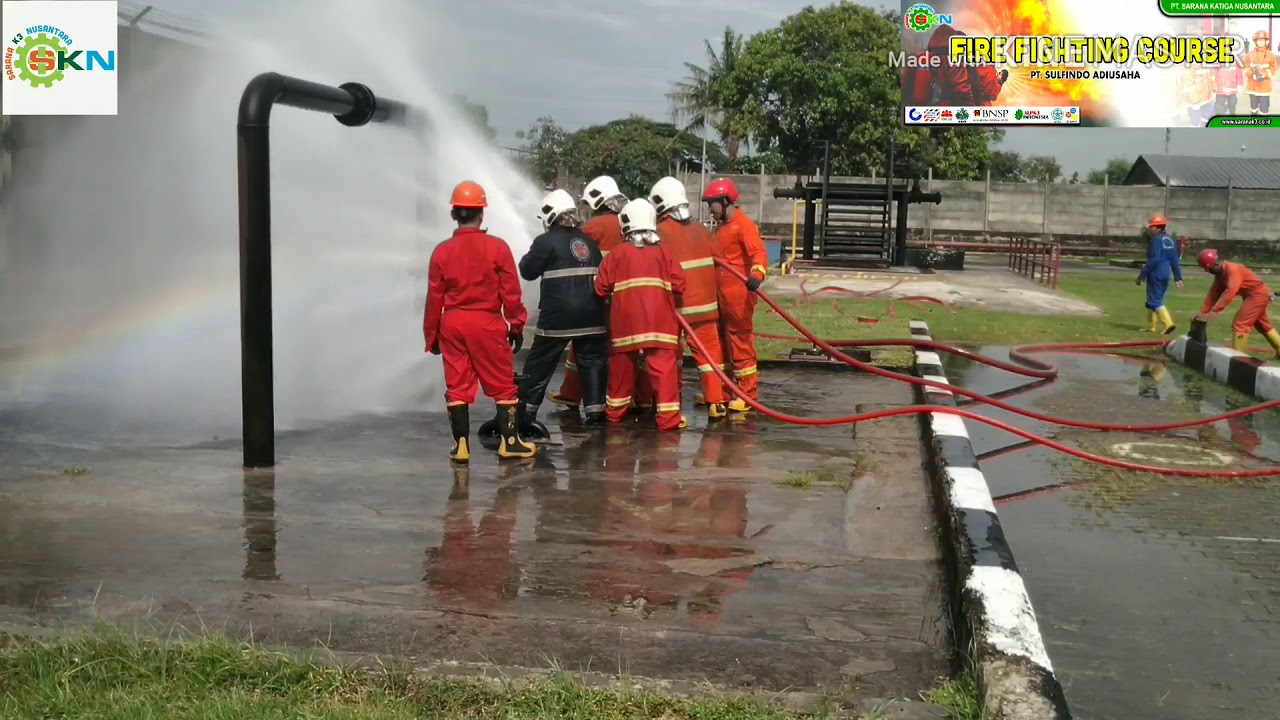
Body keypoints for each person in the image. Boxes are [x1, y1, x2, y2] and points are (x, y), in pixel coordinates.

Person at [423, 180, 537, 463]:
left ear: (454, 214)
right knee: (502, 385)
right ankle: (510, 442)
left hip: (452, 324)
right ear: (481, 213)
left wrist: (431, 336)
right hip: (487, 324)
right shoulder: (497, 248)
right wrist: (517, 325)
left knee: (457, 386)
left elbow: (434, 299)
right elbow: (511, 292)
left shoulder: (441, 252)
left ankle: (461, 446)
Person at [516, 189, 609, 426]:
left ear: (549, 215)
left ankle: (524, 413)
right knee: (592, 362)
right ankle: (596, 413)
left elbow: (527, 271)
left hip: (558, 316)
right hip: (592, 314)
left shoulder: (545, 241)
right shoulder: (589, 241)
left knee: (540, 362)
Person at [594, 198, 688, 431]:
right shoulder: (665, 252)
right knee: (664, 373)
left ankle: (615, 416)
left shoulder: (617, 254)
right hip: (661, 324)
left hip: (626, 326)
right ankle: (668, 421)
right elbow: (680, 284)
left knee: (621, 371)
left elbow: (600, 288)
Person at [548, 176, 629, 411]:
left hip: (597, 295)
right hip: (624, 297)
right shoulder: (627, 223)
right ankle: (625, 397)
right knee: (621, 348)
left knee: (582, 344)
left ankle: (571, 394)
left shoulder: (594, 227)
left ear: (596, 202)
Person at [650, 176, 727, 420]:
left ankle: (672, 405)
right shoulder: (703, 231)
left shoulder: (659, 233)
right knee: (710, 358)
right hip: (706, 308)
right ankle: (717, 402)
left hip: (676, 309)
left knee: (671, 358)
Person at [703, 178, 767, 413]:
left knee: (740, 342)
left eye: (712, 204)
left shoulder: (744, 225)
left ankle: (747, 393)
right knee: (721, 342)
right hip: (720, 295)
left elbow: (758, 252)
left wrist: (757, 274)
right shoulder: (721, 228)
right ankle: (725, 389)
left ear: (725, 201)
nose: (710, 209)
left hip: (739, 295)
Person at [1194, 249, 1280, 355]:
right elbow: (1213, 295)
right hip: (1253, 295)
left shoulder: (1232, 269)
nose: (1207, 271)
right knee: (1262, 325)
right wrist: (1202, 313)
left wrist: (1215, 311)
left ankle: (1238, 357)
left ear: (1215, 263)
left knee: (1240, 324)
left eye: (1208, 268)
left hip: (1258, 295)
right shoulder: (1220, 275)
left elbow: (1230, 291)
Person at [1134, 214, 1183, 334]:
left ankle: (1169, 324)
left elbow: (1154, 259)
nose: (1150, 229)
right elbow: (1174, 260)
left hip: (1155, 273)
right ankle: (1151, 327)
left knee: (1155, 302)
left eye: (1152, 227)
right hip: (1166, 273)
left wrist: (1142, 275)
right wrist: (1178, 278)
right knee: (1155, 299)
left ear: (1158, 228)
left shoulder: (1156, 240)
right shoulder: (1171, 240)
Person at [1245, 30, 1277, 115]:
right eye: (1259, 40)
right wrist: (1252, 75)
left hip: (1264, 88)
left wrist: (1265, 74)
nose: (1261, 42)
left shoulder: (1271, 55)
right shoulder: (1249, 55)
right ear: (1255, 42)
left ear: (1266, 42)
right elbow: (1246, 67)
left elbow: (1273, 68)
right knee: (1253, 109)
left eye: (1263, 40)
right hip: (1253, 87)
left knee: (1264, 109)